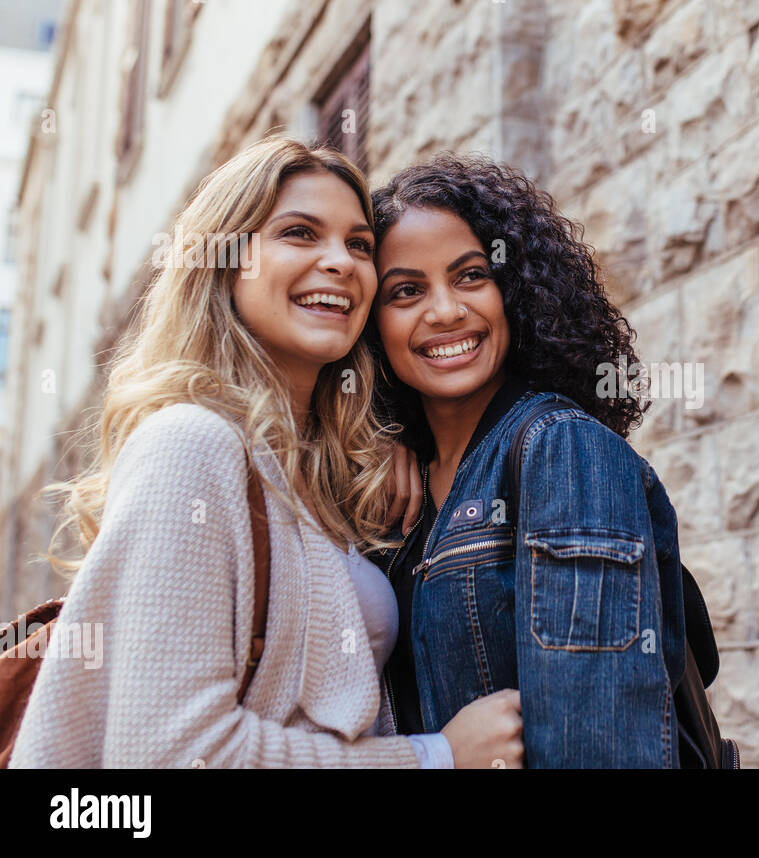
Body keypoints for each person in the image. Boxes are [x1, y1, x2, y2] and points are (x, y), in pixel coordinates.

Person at [10, 138, 523, 768]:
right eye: (300, 233)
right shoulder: (189, 446)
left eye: (359, 244)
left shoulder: (318, 472)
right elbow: (173, 755)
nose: (340, 261)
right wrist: (435, 758)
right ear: (226, 261)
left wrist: (398, 438)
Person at [365, 154, 691, 768]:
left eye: (470, 276)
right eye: (406, 290)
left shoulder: (562, 452)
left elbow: (601, 746)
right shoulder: (394, 486)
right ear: (371, 324)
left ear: (514, 290)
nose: (444, 311)